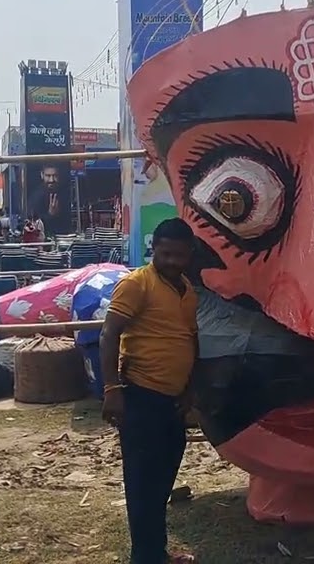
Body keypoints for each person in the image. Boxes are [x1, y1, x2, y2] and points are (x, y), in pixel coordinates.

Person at [99, 218, 198, 564]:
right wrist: (112, 389)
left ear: (189, 255)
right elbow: (109, 334)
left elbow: (188, 341)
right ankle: (146, 557)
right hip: (140, 395)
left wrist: (189, 392)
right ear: (153, 249)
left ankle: (156, 552)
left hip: (172, 402)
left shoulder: (187, 291)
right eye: (166, 253)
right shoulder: (137, 284)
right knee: (143, 485)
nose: (172, 261)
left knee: (161, 481)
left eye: (180, 255)